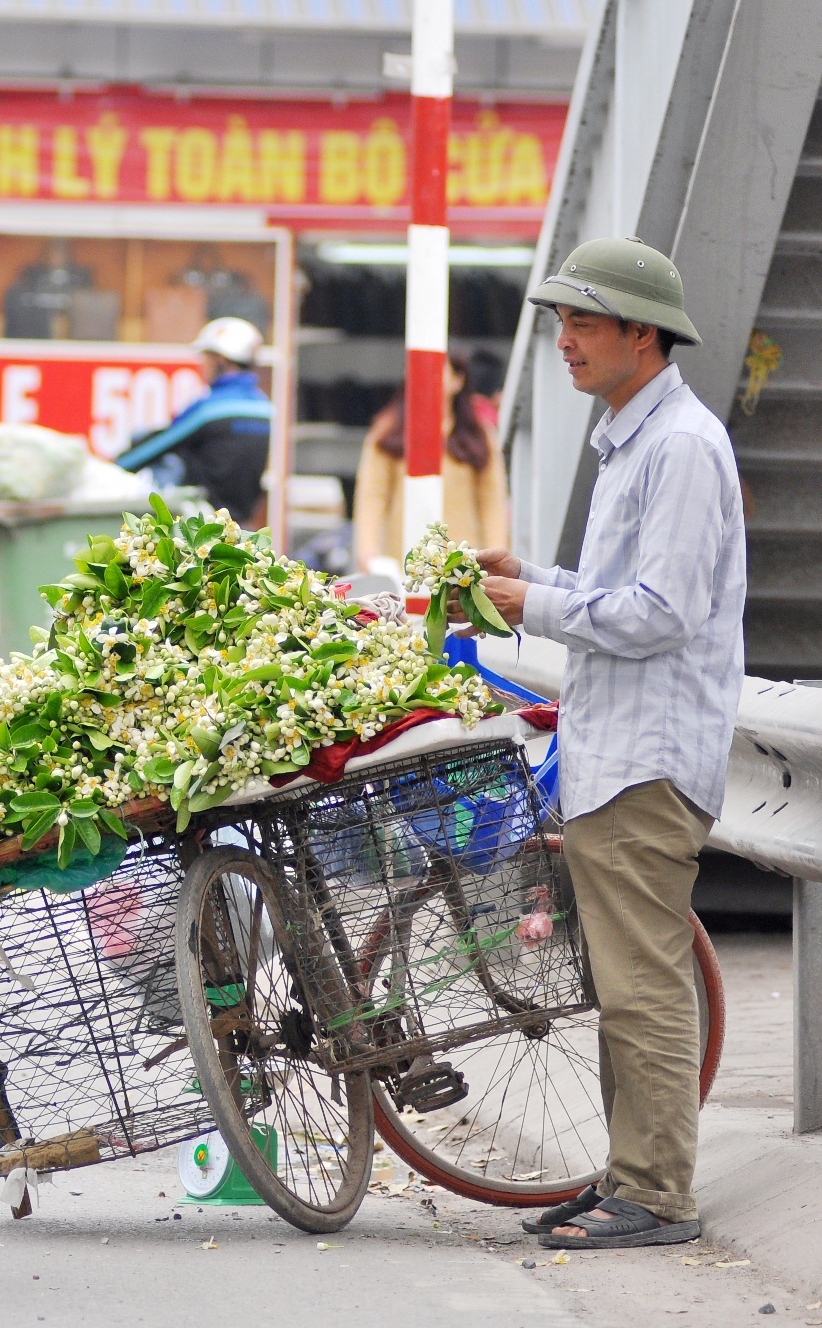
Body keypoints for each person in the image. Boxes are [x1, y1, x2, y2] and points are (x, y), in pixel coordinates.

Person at [456, 237, 744, 1251]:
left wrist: (527, 600)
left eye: (581, 322)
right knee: (621, 984)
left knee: (641, 984)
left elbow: (658, 612)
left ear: (639, 333)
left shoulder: (678, 447)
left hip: (646, 756)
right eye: (560, 322)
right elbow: (614, 591)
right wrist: (526, 574)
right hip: (612, 748)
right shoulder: (634, 436)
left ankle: (656, 1192)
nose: (564, 341)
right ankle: (628, 1175)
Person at [350, 350, 509, 578]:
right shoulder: (387, 432)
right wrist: (368, 551)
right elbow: (372, 495)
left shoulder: (479, 435)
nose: (426, 378)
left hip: (464, 564)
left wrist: (495, 556)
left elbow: (492, 501)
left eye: (436, 370)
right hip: (403, 562)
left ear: (458, 380)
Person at [115, 316, 273, 526]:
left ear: (220, 360)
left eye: (205, 359)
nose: (202, 367)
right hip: (241, 523)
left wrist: (113, 467)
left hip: (201, 523)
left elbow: (155, 446)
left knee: (147, 441)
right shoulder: (264, 408)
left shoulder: (210, 409)